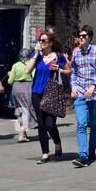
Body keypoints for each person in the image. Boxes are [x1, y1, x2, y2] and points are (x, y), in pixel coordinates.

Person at [69, 24, 96, 167]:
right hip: (80, 93)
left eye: (84, 36)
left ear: (90, 37)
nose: (81, 38)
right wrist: (73, 88)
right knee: (81, 124)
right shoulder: (76, 53)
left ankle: (92, 152)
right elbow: (73, 73)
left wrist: (94, 86)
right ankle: (83, 155)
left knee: (94, 124)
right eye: (79, 36)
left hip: (95, 94)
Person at [28, 32, 67, 162]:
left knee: (50, 124)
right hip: (36, 93)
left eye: (44, 40)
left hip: (51, 93)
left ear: (50, 43)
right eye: (40, 40)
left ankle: (57, 142)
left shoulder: (59, 56)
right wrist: (35, 55)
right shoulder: (36, 56)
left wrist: (59, 69)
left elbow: (69, 71)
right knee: (41, 124)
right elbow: (27, 70)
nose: (41, 43)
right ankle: (45, 152)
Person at [8, 48, 37, 142]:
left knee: (20, 109)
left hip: (16, 88)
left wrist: (10, 75)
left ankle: (23, 132)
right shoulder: (31, 64)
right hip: (27, 87)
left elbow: (10, 81)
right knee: (27, 109)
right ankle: (22, 133)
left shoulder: (15, 65)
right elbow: (34, 77)